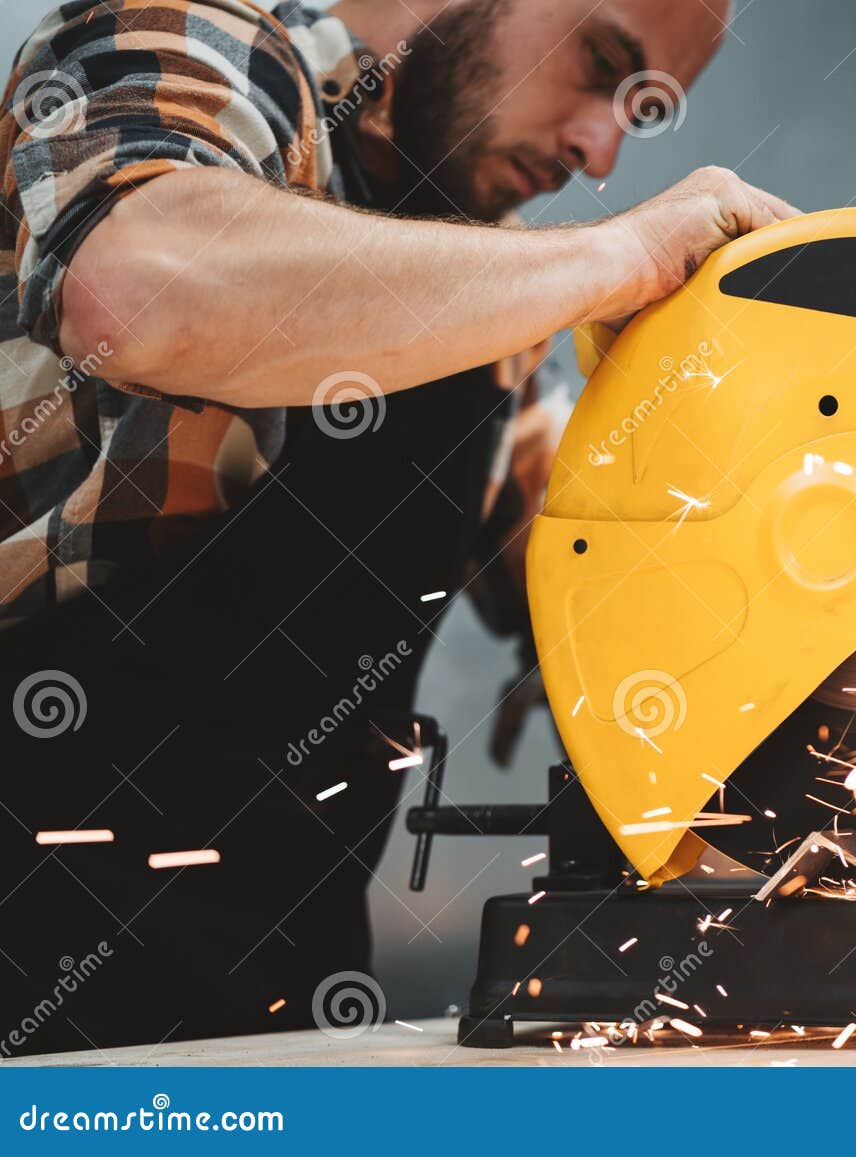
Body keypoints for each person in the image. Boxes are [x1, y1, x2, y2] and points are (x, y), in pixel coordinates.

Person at [0, 0, 794, 1055]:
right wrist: (618, 259)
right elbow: (137, 288)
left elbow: (591, 553)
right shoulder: (185, 44)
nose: (601, 147)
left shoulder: (485, 273)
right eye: (601, 65)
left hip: (277, 993)